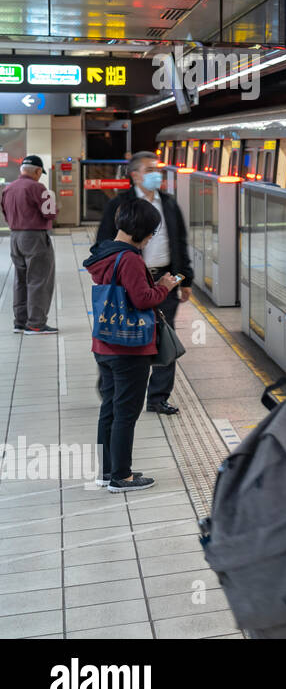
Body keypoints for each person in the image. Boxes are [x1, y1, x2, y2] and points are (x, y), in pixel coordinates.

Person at [84, 198, 183, 492]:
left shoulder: (104, 253)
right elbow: (142, 300)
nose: (151, 238)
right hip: (129, 348)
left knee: (109, 411)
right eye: (151, 233)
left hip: (104, 343)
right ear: (140, 230)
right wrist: (164, 286)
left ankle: (107, 470)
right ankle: (122, 476)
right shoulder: (128, 258)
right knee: (126, 413)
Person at [95, 152, 194, 415]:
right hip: (127, 280)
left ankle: (158, 397)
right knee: (122, 333)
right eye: (149, 169)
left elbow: (180, 244)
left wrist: (185, 280)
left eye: (158, 169)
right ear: (135, 175)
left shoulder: (169, 204)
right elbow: (102, 244)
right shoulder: (120, 205)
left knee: (164, 336)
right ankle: (111, 385)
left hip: (164, 279)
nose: (156, 174)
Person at [1, 155, 58, 334]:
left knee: (20, 280)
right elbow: (50, 213)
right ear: (38, 171)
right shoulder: (37, 187)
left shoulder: (8, 188)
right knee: (39, 280)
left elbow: (4, 212)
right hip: (34, 237)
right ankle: (36, 323)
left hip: (15, 237)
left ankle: (20, 322)